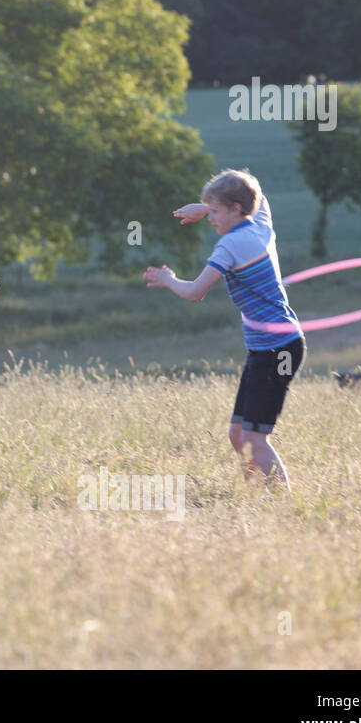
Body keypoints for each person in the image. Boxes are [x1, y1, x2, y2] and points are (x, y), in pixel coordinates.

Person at [144, 168, 304, 488]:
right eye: (209, 212)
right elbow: (259, 197)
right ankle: (251, 492)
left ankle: (286, 502)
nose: (209, 220)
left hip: (276, 348)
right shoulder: (260, 226)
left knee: (256, 439)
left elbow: (194, 293)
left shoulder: (229, 248)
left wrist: (167, 279)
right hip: (271, 346)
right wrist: (207, 205)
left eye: (215, 212)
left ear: (235, 209)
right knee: (237, 434)